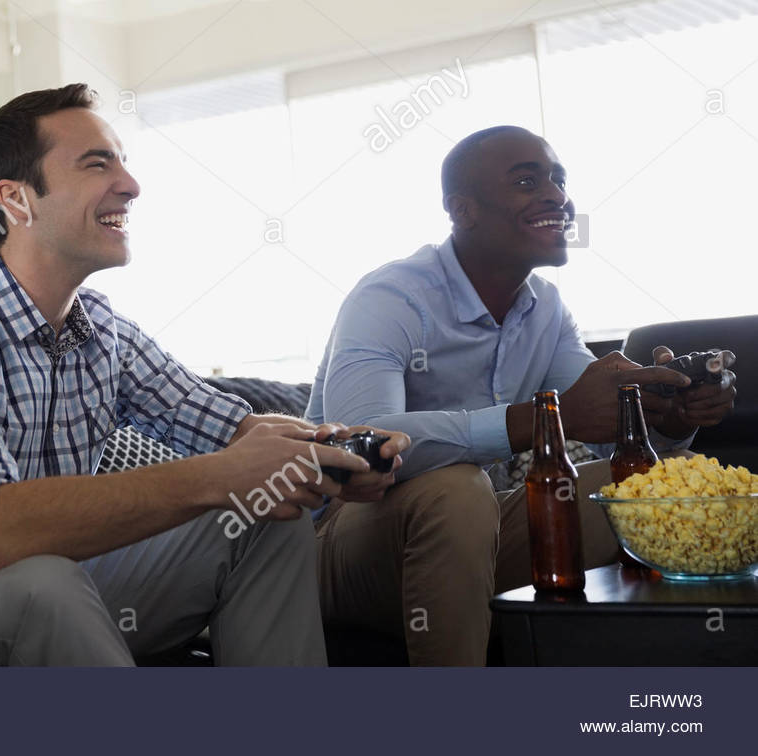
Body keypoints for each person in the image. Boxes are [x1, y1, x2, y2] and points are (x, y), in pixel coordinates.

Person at [0, 83, 409, 666]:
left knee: (263, 520)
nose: (131, 185)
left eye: (123, 163)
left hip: (54, 591)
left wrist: (329, 450)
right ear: (16, 199)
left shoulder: (100, 327)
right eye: (98, 165)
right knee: (42, 583)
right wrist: (217, 476)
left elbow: (232, 428)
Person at [307, 125, 738, 666]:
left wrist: (668, 416)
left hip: (466, 538)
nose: (557, 196)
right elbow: (356, 445)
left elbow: (604, 423)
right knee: (456, 490)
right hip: (335, 545)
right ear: (462, 210)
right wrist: (533, 420)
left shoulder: (546, 309)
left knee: (666, 481)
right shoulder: (391, 297)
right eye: (527, 181)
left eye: (559, 180)